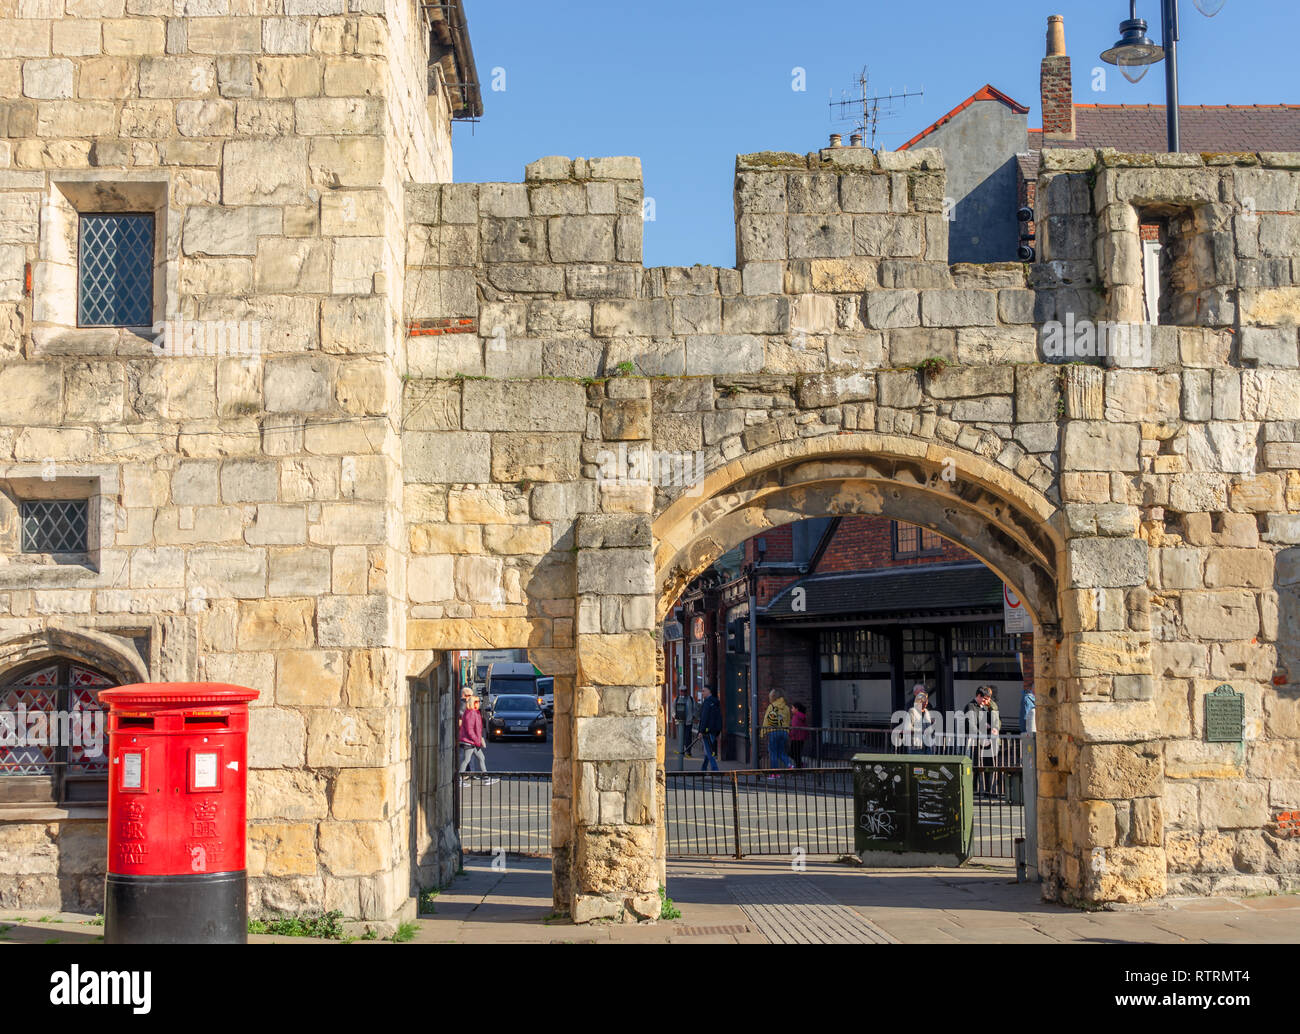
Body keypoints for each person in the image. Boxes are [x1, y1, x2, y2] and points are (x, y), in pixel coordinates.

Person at [457, 693, 494, 784]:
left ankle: (486, 778)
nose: (478, 703)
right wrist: (477, 740)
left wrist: (478, 739)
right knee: (467, 760)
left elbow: (476, 729)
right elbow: (470, 730)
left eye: (479, 701)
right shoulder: (471, 713)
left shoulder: (473, 712)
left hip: (472, 741)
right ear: (472, 703)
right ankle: (459, 779)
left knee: (481, 758)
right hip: (470, 742)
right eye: (476, 701)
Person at [762, 688, 791, 775]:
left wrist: (762, 732)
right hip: (783, 732)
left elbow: (766, 720)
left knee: (773, 753)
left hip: (774, 731)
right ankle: (789, 765)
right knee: (781, 752)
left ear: (772, 697)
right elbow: (788, 720)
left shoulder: (772, 706)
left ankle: (775, 773)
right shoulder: (786, 707)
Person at [900, 688, 936, 755]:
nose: (926, 703)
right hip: (916, 745)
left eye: (926, 701)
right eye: (924, 701)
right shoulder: (912, 712)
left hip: (927, 745)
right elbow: (907, 728)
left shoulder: (927, 712)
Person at [698, 685, 723, 772]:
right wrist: (718, 731)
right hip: (713, 730)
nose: (702, 693)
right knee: (708, 749)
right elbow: (719, 718)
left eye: (704, 691)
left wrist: (701, 731)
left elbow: (704, 718)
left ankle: (715, 768)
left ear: (709, 691)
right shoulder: (715, 702)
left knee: (708, 750)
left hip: (706, 731)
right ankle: (704, 768)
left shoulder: (707, 703)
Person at [674, 687, 696, 758]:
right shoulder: (676, 699)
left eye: (684, 691)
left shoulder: (691, 699)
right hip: (680, 722)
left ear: (686, 691)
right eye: (681, 691)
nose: (683, 692)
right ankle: (681, 751)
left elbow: (694, 709)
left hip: (688, 722)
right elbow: (673, 709)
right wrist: (675, 716)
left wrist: (693, 716)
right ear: (679, 691)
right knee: (681, 737)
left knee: (688, 737)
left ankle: (688, 752)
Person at [789, 701, 809, 768]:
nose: (791, 709)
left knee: (793, 753)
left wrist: (790, 734)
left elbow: (794, 728)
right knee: (796, 753)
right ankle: (800, 765)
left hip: (796, 738)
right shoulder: (802, 716)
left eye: (792, 708)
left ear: (796, 709)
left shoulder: (796, 716)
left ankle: (799, 767)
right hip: (801, 738)